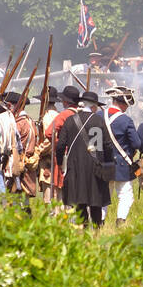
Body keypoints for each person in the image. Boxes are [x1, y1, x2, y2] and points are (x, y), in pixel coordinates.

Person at [55, 89, 113, 226]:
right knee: (96, 202)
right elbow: (108, 145)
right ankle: (97, 229)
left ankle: (84, 228)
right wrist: (108, 163)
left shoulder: (70, 121)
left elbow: (60, 145)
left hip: (76, 166)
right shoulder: (99, 121)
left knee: (80, 200)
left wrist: (59, 163)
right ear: (93, 106)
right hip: (96, 166)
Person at [103, 86, 141, 224]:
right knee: (125, 195)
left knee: (104, 196)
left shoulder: (99, 116)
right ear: (122, 101)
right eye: (126, 103)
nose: (127, 107)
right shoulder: (126, 120)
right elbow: (136, 143)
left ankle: (99, 223)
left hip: (103, 163)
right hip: (122, 164)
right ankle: (120, 222)